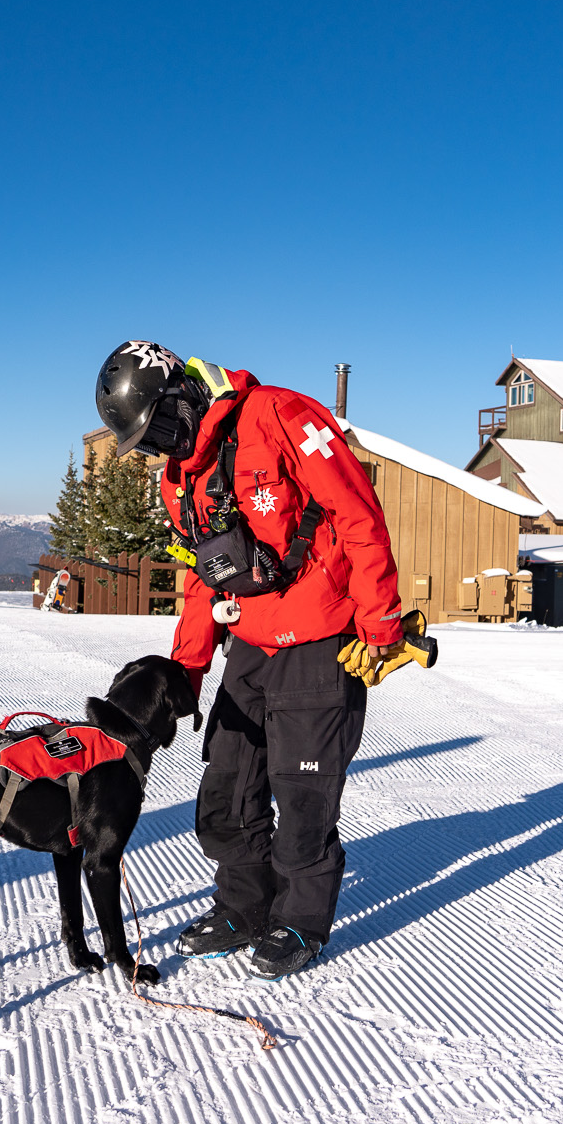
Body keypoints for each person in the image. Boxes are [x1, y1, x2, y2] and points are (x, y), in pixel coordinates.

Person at [94, 340, 406, 978]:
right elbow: (204, 575)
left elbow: (359, 516)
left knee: (303, 795)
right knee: (227, 787)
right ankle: (244, 905)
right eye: (144, 443)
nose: (155, 450)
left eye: (154, 431)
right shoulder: (180, 478)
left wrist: (380, 621)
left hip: (321, 640)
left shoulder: (281, 416)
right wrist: (187, 669)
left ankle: (300, 919)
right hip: (252, 647)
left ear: (177, 396)